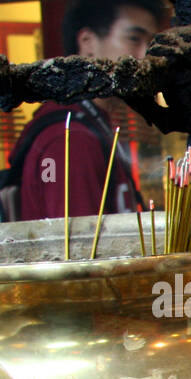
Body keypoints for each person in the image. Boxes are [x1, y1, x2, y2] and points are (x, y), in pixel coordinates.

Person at [6, 0, 162, 221]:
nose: (145, 55)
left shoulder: (88, 126)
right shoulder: (71, 139)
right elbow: (82, 248)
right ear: (88, 43)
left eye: (151, 43)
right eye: (134, 39)